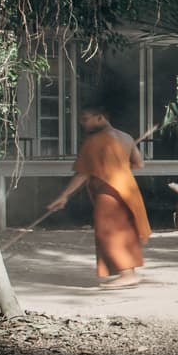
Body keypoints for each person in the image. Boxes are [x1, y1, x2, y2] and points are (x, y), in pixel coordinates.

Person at [46, 104, 151, 287]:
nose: (82, 123)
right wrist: (117, 171)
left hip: (109, 191)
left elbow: (83, 173)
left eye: (85, 119)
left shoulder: (95, 141)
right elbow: (138, 164)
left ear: (100, 117)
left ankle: (127, 274)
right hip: (128, 189)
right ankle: (129, 272)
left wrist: (64, 195)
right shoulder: (125, 137)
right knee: (125, 230)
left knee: (108, 231)